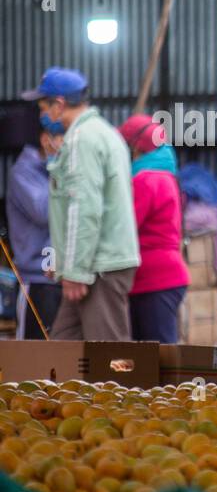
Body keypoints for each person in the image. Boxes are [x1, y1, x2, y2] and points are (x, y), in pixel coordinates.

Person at [21, 67, 140, 341]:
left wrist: (75, 271)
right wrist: (64, 262)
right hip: (95, 264)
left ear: (59, 104)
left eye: (43, 107)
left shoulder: (81, 139)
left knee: (109, 359)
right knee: (64, 347)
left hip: (99, 268)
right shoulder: (105, 133)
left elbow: (83, 208)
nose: (42, 115)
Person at [118, 115, 190, 343]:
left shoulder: (145, 181)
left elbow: (124, 226)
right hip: (164, 278)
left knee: (156, 357)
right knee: (157, 354)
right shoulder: (167, 175)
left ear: (135, 148)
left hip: (155, 280)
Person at [5, 132, 63, 338]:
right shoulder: (23, 172)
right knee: (35, 358)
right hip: (37, 279)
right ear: (46, 139)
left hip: (64, 279)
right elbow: (43, 211)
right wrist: (59, 171)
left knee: (64, 358)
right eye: (64, 138)